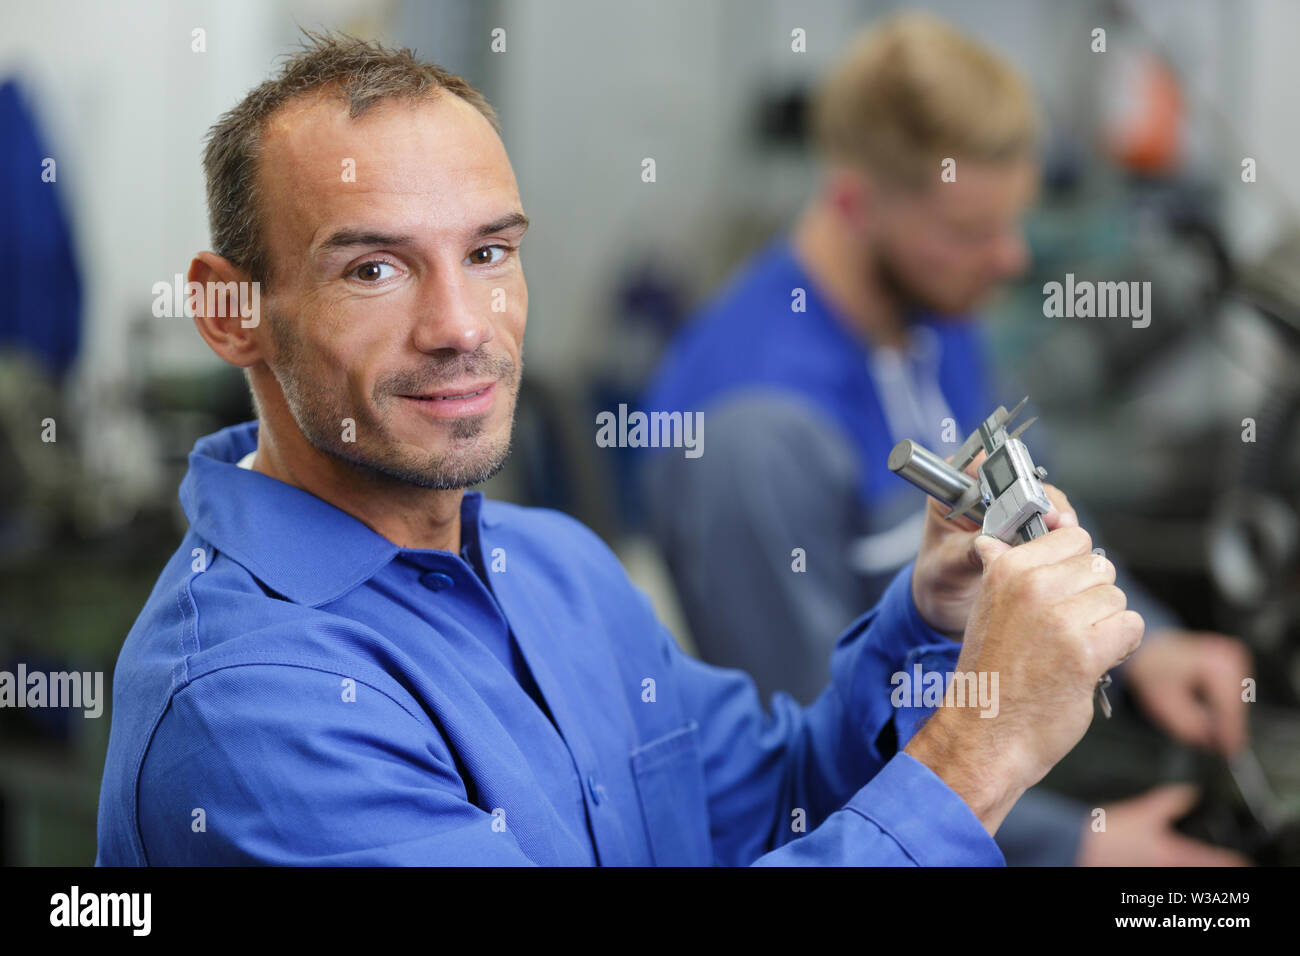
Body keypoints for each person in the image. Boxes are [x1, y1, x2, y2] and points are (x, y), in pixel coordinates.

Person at [96, 31, 1142, 867]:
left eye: (490, 251)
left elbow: (777, 797)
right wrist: (981, 749)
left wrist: (925, 623)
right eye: (375, 268)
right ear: (230, 308)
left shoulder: (555, 567)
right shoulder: (250, 703)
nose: (462, 324)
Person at [642, 12, 1252, 866]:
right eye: (971, 233)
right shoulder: (755, 432)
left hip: (983, 733)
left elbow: (1031, 510)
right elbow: (811, 770)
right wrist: (1078, 846)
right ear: (854, 202)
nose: (1007, 261)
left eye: (1013, 225)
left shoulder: (934, 312)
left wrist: (1148, 642)